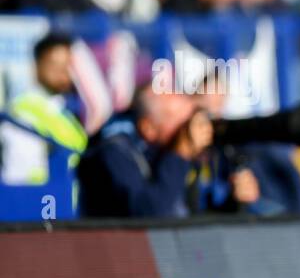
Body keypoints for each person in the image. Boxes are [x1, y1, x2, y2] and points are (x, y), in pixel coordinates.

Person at [76, 83, 211, 218]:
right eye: (182, 124)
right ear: (149, 128)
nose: (189, 131)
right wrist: (181, 153)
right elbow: (151, 213)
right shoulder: (115, 154)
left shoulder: (164, 152)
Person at [0, 31, 86, 185]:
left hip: (68, 205)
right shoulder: (24, 113)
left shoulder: (64, 109)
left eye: (67, 65)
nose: (63, 72)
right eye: (54, 64)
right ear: (36, 67)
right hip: (47, 205)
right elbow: (19, 177)